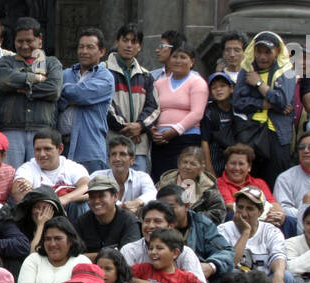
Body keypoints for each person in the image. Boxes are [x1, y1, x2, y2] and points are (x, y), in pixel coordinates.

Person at [231, 30, 297, 192]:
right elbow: (238, 102)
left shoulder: (286, 71)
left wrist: (259, 84)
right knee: (251, 183)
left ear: (277, 52)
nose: (262, 56)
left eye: (268, 52)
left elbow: (282, 101)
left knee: (275, 183)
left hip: (277, 134)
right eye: (259, 51)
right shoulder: (247, 70)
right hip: (252, 132)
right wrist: (263, 103)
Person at [218, 185, 291, 283]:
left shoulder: (271, 231)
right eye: (240, 207)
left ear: (260, 212)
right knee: (231, 274)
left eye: (250, 208)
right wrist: (246, 232)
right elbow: (229, 263)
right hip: (238, 282)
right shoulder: (223, 230)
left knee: (286, 277)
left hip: (264, 282)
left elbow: (279, 255)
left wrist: (278, 276)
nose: (244, 213)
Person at [0, 18, 62, 169]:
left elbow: (54, 90)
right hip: (11, 128)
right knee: (10, 175)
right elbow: (5, 80)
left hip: (42, 129)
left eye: (29, 41)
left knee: (40, 175)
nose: (24, 46)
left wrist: (21, 88)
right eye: (20, 41)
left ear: (40, 40)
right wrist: (35, 78)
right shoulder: (6, 62)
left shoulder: (52, 63)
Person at [58, 28, 114, 173]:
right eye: (81, 47)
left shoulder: (105, 77)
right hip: (61, 147)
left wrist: (66, 92)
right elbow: (54, 98)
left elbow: (81, 95)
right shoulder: (66, 74)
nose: (84, 51)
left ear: (102, 52)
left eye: (90, 47)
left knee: (92, 194)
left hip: (89, 149)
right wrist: (69, 97)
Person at [151, 40, 208, 181]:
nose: (178, 61)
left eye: (183, 57)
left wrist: (174, 131)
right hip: (160, 141)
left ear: (192, 61)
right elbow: (152, 109)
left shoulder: (197, 82)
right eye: (175, 57)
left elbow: (197, 113)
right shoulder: (159, 83)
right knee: (160, 179)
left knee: (183, 180)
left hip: (185, 139)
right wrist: (152, 130)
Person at [105, 22, 159, 171]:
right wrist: (126, 129)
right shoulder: (104, 70)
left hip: (138, 147)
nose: (129, 45)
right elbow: (105, 104)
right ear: (117, 42)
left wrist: (140, 126)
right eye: (125, 40)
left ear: (139, 46)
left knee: (138, 188)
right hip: (111, 142)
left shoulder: (146, 75)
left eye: (134, 42)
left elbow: (154, 107)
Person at [12, 128, 90, 207]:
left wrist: (65, 199)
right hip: (41, 213)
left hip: (68, 211)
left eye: (47, 149)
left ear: (60, 149)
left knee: (80, 205)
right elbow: (17, 194)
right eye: (38, 150)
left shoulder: (72, 167)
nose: (42, 154)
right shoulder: (27, 168)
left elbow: (88, 186)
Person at [75, 175, 141, 257]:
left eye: (101, 196)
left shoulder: (129, 221)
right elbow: (74, 257)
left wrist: (88, 257)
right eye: (92, 197)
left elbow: (129, 256)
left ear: (115, 196)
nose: (96, 201)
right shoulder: (82, 221)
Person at [94, 135, 157, 215]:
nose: (117, 158)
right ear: (109, 159)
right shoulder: (98, 176)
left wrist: (136, 202)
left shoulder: (142, 177)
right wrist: (121, 206)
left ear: (132, 160)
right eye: (113, 154)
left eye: (122, 154)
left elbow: (152, 193)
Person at [200, 69, 237, 176]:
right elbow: (204, 141)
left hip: (235, 156)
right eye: (214, 88)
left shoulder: (237, 109)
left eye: (222, 86)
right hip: (215, 157)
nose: (218, 90)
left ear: (231, 88)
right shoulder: (209, 112)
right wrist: (209, 167)